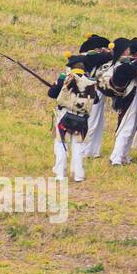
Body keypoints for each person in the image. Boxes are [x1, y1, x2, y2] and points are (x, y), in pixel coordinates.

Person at [49, 54, 99, 183]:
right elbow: (96, 100)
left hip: (64, 116)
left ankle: (60, 174)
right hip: (82, 119)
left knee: (60, 144)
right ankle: (78, 175)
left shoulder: (64, 78)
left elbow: (52, 93)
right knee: (78, 147)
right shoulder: (90, 81)